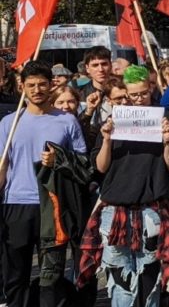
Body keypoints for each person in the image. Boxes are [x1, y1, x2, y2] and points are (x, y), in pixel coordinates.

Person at [78, 65, 169, 307]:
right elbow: (100, 168)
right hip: (115, 210)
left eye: (143, 93)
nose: (138, 99)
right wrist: (107, 140)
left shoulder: (166, 118)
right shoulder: (112, 122)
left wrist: (168, 142)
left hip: (151, 209)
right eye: (133, 95)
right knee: (120, 281)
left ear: (151, 88)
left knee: (150, 281)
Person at [0, 61, 90, 307]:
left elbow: (83, 163)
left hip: (53, 205)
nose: (37, 89)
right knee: (15, 273)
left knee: (51, 275)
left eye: (42, 84)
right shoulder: (9, 123)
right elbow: (2, 165)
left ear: (51, 85)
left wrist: (58, 159)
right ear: (22, 87)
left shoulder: (67, 121)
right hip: (16, 204)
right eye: (31, 85)